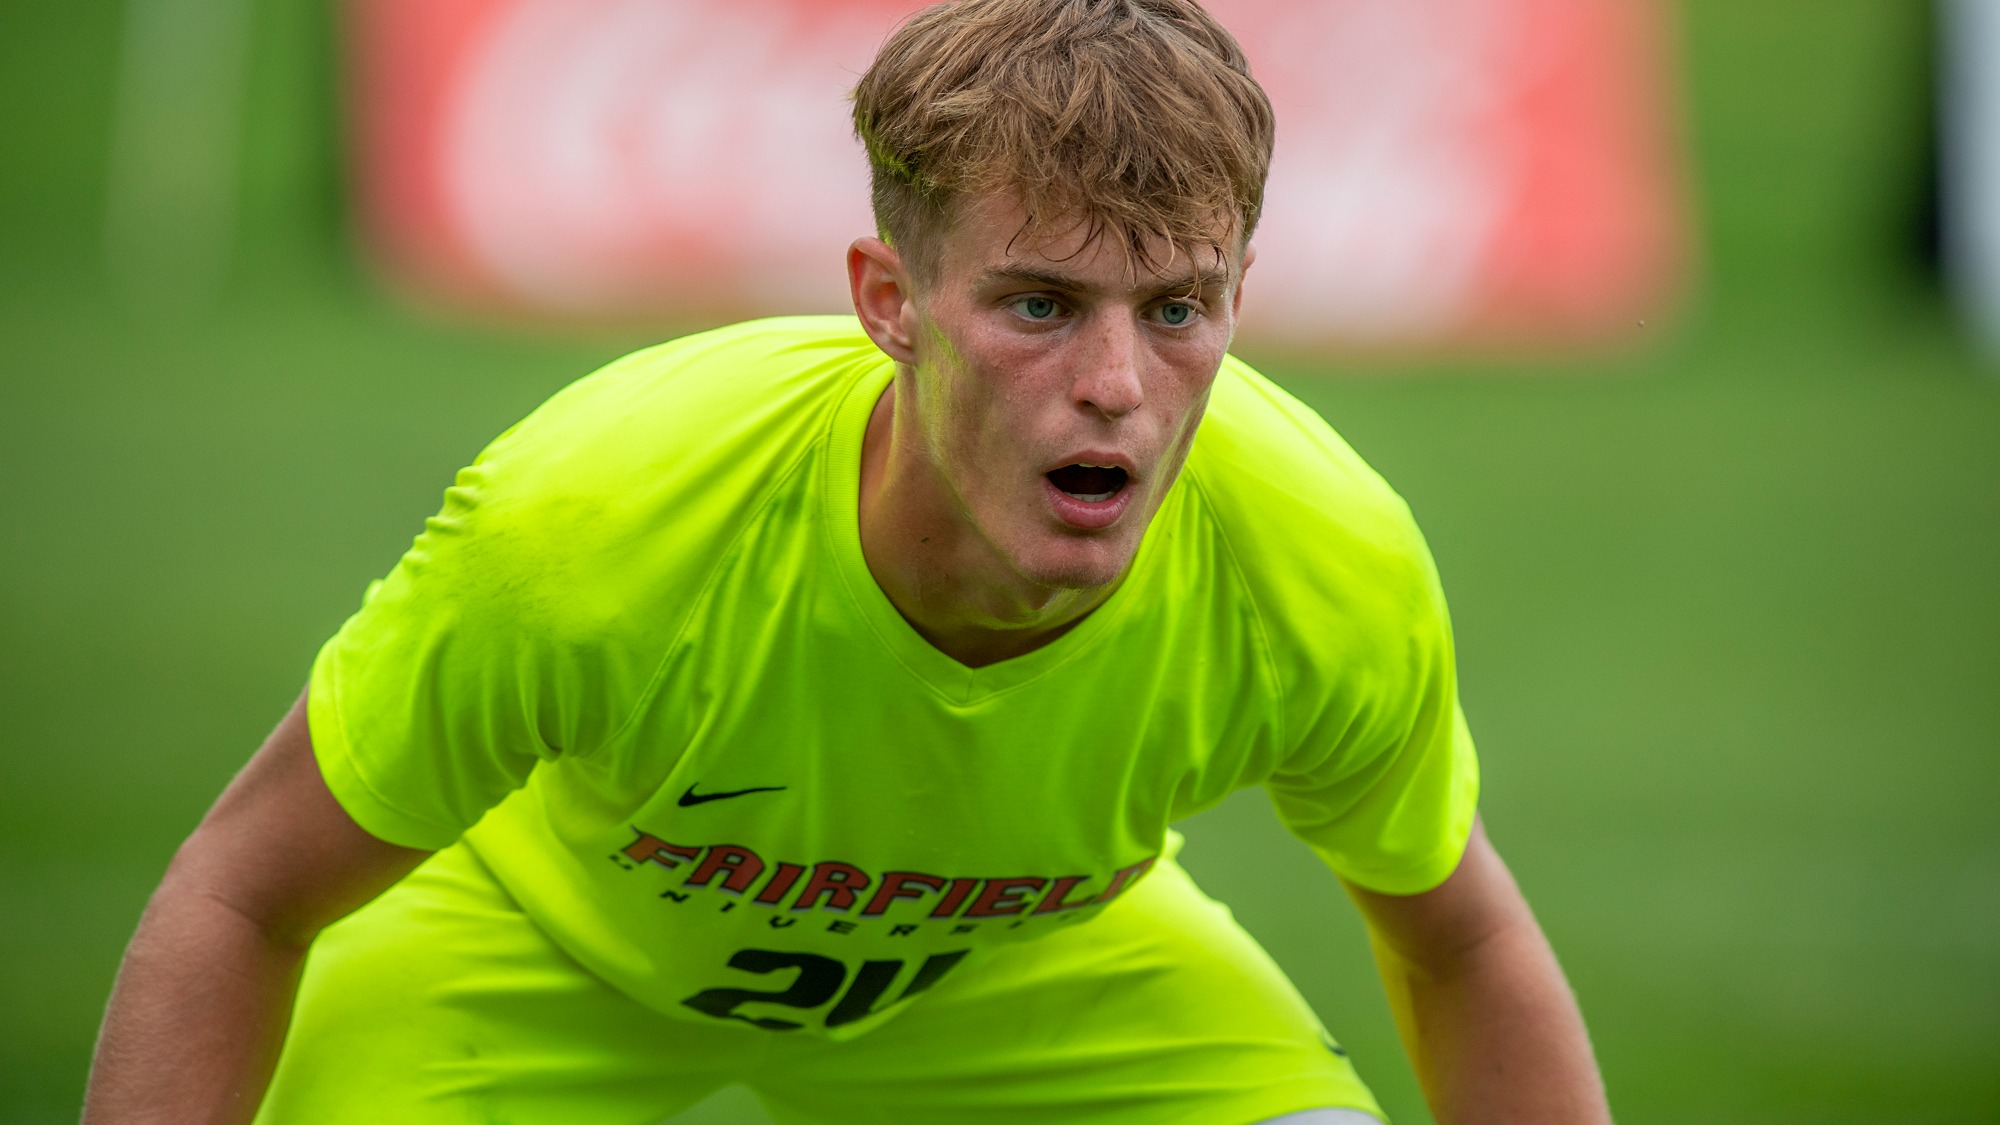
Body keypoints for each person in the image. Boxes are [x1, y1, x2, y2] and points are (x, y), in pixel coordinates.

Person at [84, 1, 1612, 1121]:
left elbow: (1462, 935)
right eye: (1035, 304)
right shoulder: (595, 521)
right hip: (533, 953)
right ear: (890, 296)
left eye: (1175, 309)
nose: (1115, 385)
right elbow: (241, 896)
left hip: (1016, 971)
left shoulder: (1319, 562)